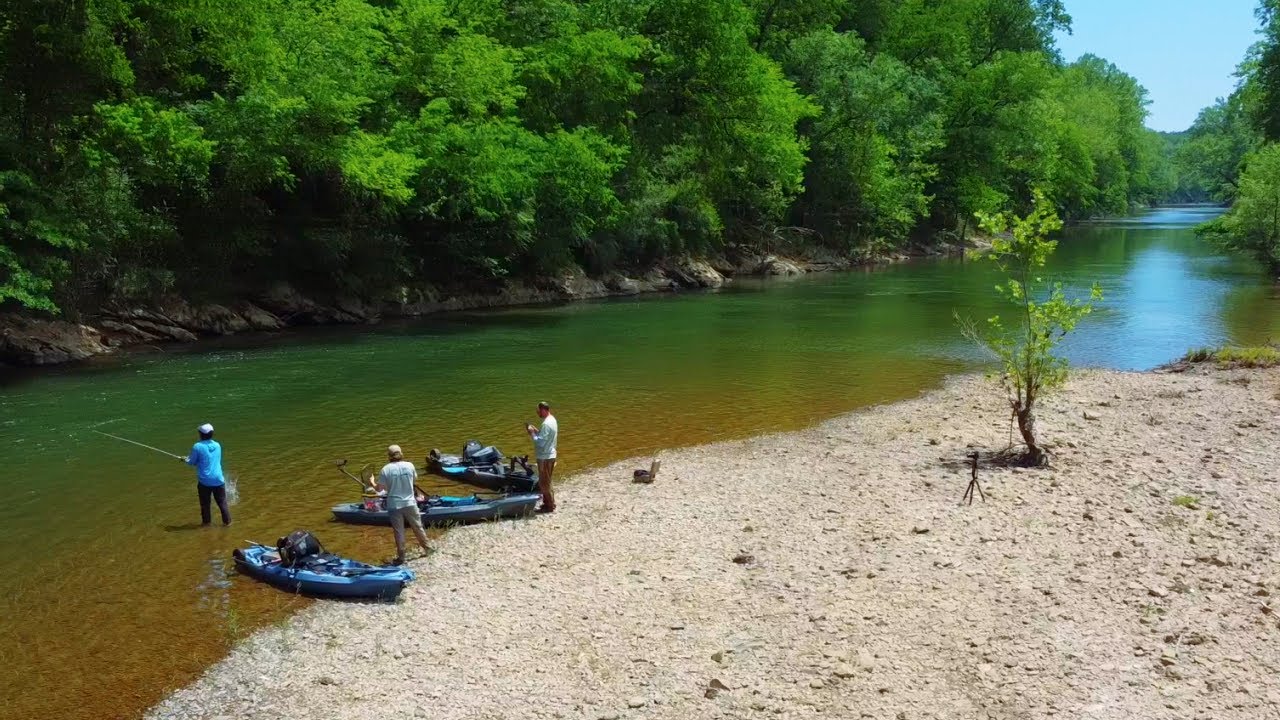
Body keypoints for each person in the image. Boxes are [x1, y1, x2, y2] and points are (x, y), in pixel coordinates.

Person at [378, 444, 430, 565]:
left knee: (399, 531)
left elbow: (380, 489)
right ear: (401, 453)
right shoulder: (410, 465)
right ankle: (428, 548)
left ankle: (401, 557)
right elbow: (413, 481)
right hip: (410, 502)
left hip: (394, 505)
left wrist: (371, 482)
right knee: (418, 527)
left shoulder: (385, 469)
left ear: (389, 456)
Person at [182, 423, 231, 526]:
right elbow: (208, 459)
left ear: (201, 434)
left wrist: (185, 460)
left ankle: (206, 525)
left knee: (205, 505)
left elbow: (192, 462)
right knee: (222, 503)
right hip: (218, 480)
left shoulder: (197, 446)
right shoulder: (217, 445)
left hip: (204, 482)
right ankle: (228, 524)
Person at [526, 401, 558, 513]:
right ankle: (548, 503)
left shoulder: (546, 424)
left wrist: (532, 433)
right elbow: (546, 437)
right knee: (547, 480)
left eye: (538, 411)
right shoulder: (552, 420)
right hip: (551, 454)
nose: (537, 413)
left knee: (544, 483)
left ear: (543, 410)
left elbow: (540, 443)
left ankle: (549, 506)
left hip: (545, 457)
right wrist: (537, 431)